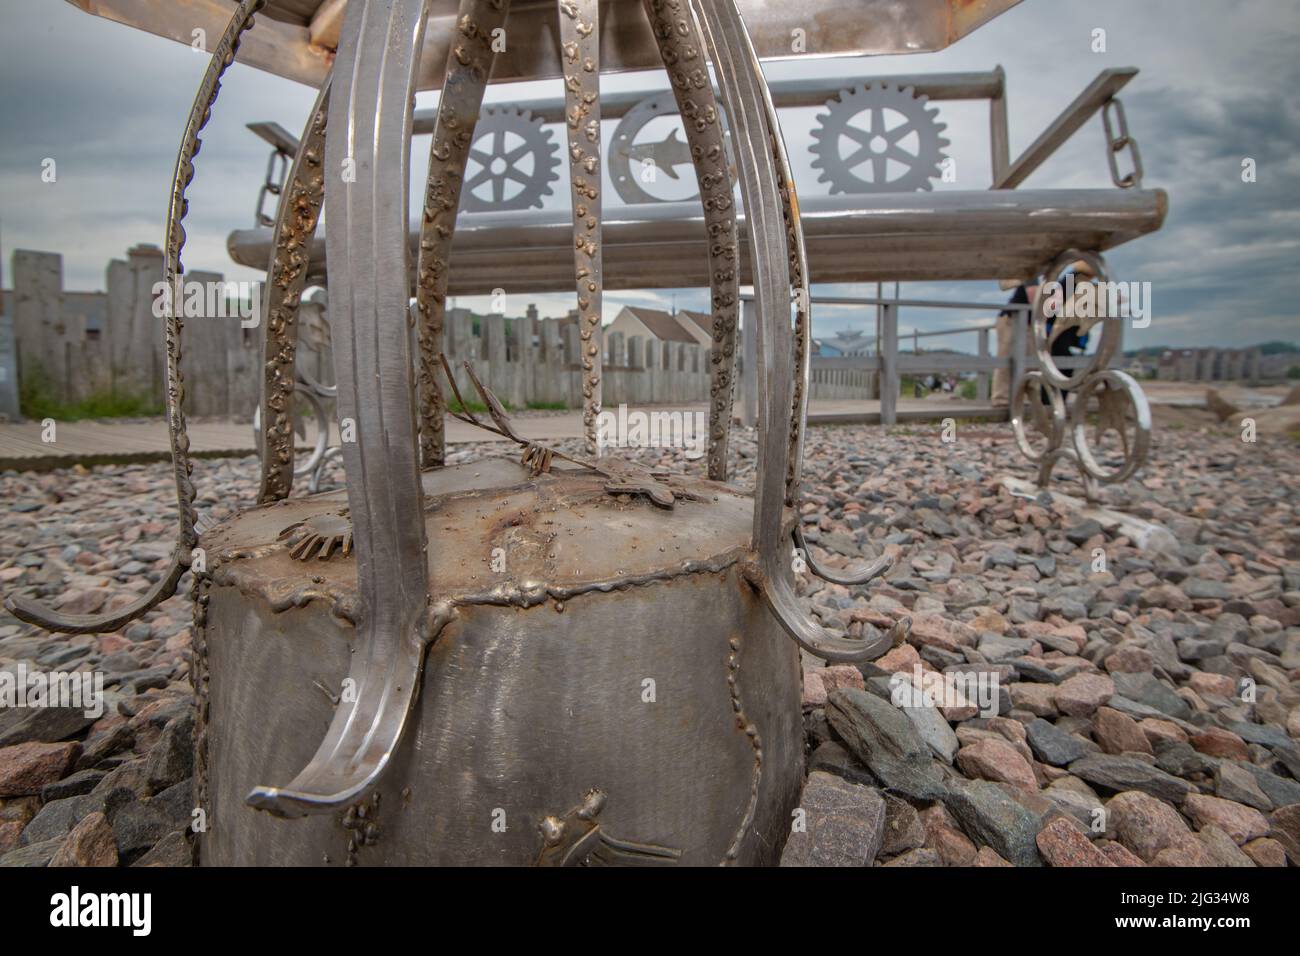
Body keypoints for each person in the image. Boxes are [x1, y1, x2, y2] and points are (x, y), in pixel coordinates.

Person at [992, 278, 1038, 406]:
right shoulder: (1031, 276)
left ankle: (1019, 397)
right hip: (1012, 320)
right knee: (1006, 359)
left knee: (1028, 361)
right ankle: (1002, 399)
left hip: (1023, 321)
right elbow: (1033, 296)